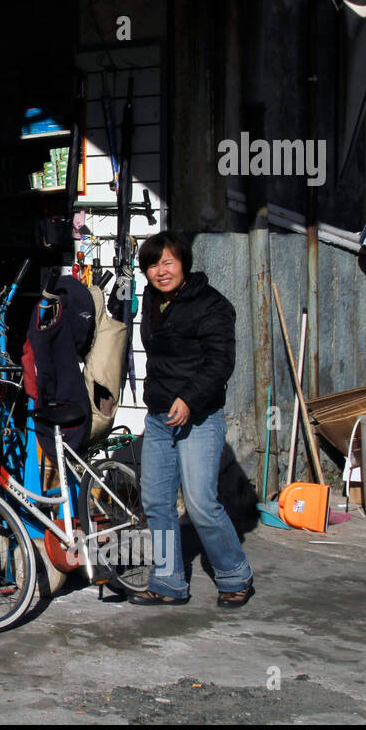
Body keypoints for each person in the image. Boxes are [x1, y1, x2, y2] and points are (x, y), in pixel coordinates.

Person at [125, 231, 255, 608]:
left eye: (168, 262)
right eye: (152, 264)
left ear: (184, 262)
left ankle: (235, 574)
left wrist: (189, 398)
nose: (160, 271)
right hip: (158, 416)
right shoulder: (151, 300)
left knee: (200, 503)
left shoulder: (213, 306)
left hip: (199, 416)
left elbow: (220, 363)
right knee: (157, 503)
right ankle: (167, 581)